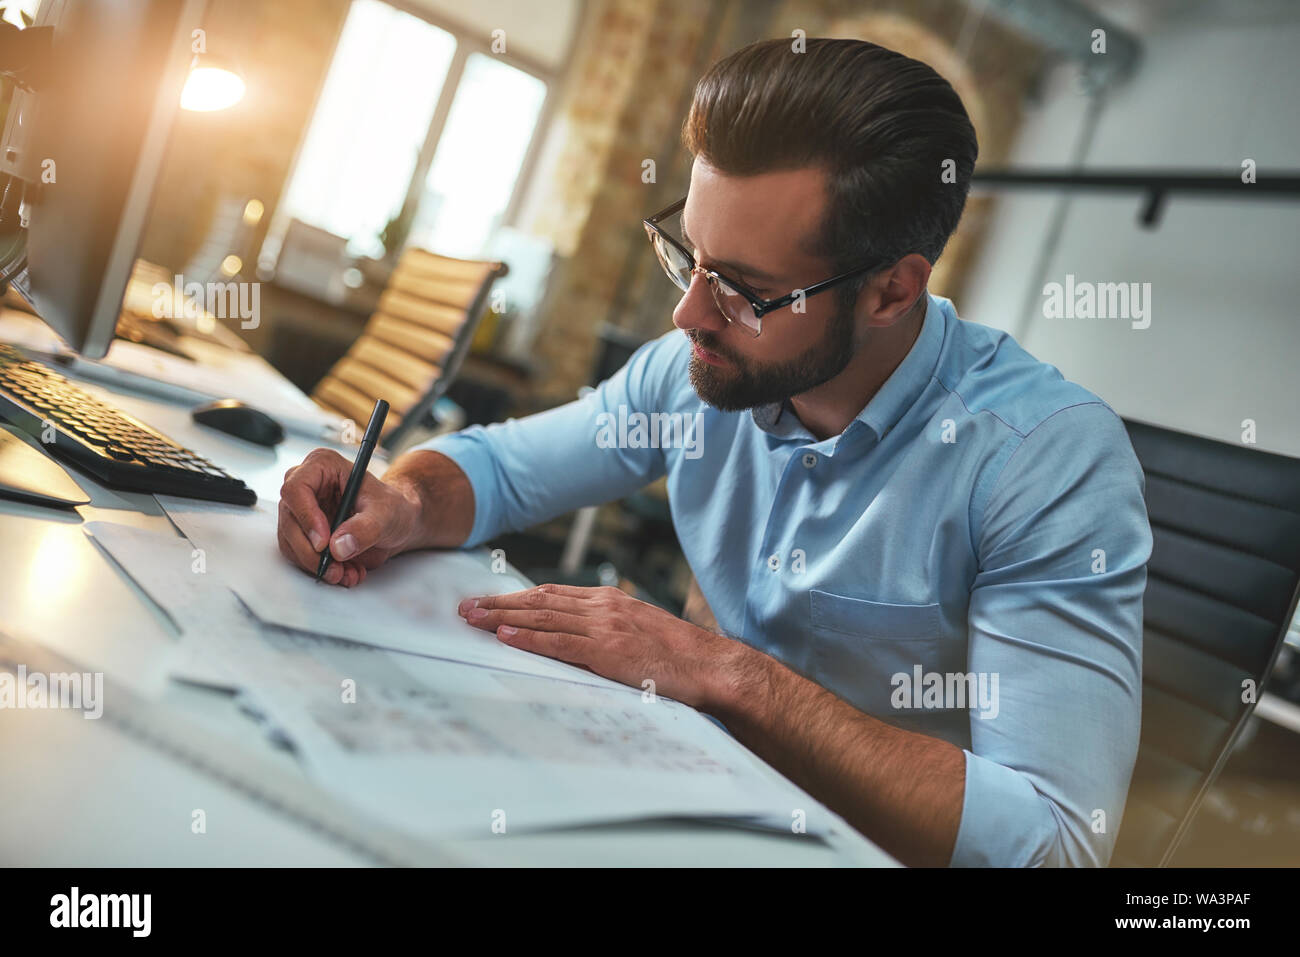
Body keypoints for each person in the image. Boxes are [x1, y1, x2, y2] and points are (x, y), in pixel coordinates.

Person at [277, 37, 1152, 867]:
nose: (688, 314)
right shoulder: (701, 364)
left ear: (892, 290)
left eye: (744, 288)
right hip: (676, 796)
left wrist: (726, 671)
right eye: (690, 256)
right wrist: (403, 501)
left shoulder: (1044, 462)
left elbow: (1058, 841)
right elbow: (502, 470)